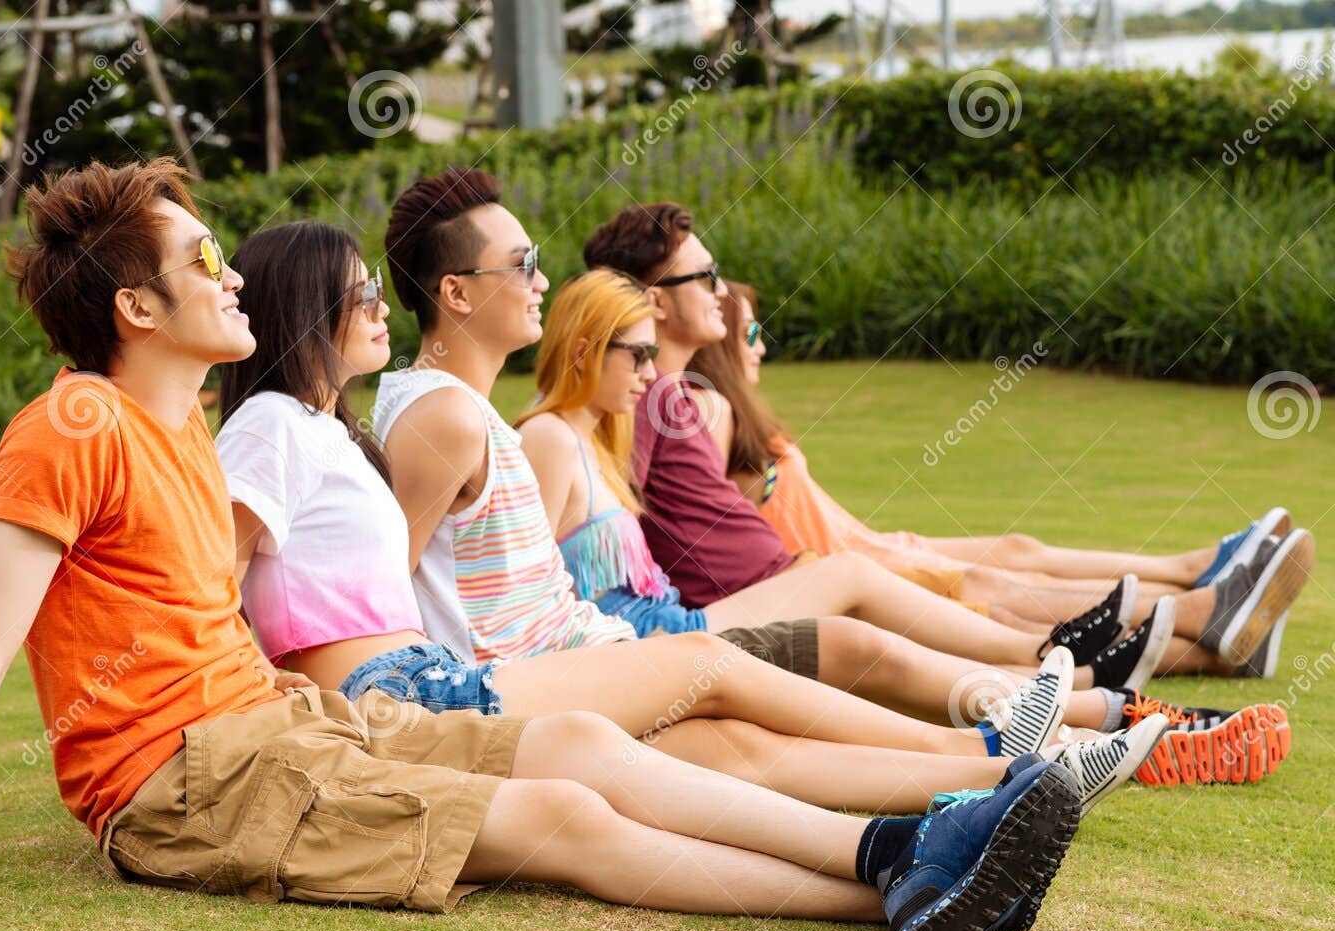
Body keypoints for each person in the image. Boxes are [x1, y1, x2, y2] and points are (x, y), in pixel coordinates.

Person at [0, 158, 1087, 931]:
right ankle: (903, 875)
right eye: (200, 261)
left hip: (278, 719)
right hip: (179, 780)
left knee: (584, 747)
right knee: (563, 817)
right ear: (135, 309)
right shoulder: (73, 421)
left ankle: (922, 837)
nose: (232, 270)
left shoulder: (181, 423)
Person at [216, 221, 1173, 815]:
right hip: (498, 672)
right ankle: (1020, 726)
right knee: (762, 654)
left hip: (517, 662)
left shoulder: (362, 426)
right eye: (524, 264)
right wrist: (285, 715)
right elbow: (324, 585)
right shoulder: (417, 419)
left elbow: (389, 582)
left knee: (747, 747)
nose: (540, 281)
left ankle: (1034, 749)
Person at [519, 269, 1291, 790]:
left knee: (877, 621)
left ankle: (1100, 702)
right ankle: (1090, 693)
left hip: (662, 631)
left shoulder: (600, 438)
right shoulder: (552, 440)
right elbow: (512, 593)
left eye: (655, 355)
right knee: (857, 603)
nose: (653, 371)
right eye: (638, 353)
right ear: (586, 349)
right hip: (646, 640)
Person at [581, 201, 1315, 679]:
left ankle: (1205, 619)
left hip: (803, 573)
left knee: (995, 594)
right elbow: (617, 508)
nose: (721, 288)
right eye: (704, 275)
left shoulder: (669, 397)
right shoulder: (659, 404)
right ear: (652, 298)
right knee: (991, 605)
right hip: (781, 591)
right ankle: (1201, 613)